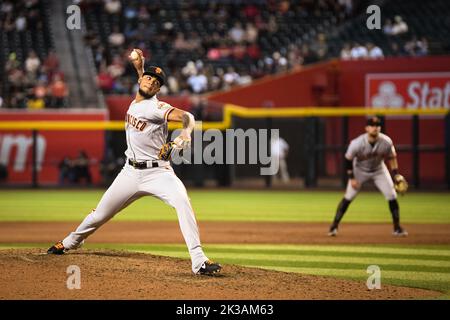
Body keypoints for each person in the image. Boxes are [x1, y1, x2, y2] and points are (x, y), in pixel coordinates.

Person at [47, 49, 222, 276]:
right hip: (129, 173)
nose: (151, 82)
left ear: (158, 89)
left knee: (182, 201)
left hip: (158, 173)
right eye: (149, 77)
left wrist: (186, 132)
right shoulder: (138, 96)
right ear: (141, 80)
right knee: (100, 214)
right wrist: (140, 66)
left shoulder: (155, 107)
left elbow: (188, 116)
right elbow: (142, 81)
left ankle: (199, 260)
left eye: (156, 82)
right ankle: (71, 241)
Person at [328, 116, 408, 237]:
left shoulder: (386, 142)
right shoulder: (357, 143)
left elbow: (392, 157)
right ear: (367, 128)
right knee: (349, 197)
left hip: (379, 170)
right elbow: (348, 160)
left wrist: (396, 174)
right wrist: (352, 178)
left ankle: (397, 228)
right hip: (359, 171)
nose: (375, 128)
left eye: (377, 125)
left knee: (392, 196)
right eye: (372, 125)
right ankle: (334, 226)